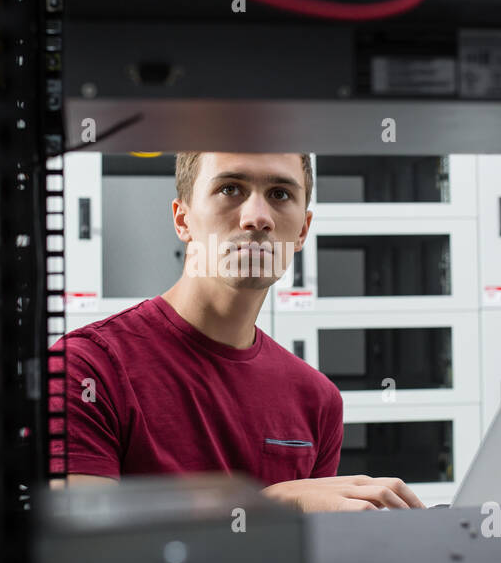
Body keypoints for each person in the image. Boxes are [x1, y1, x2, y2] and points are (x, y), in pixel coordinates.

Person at [50, 151, 425, 512]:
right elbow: (84, 555)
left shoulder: (317, 401)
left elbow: (297, 562)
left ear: (302, 231)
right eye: (230, 189)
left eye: (280, 194)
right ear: (183, 220)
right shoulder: (87, 370)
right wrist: (271, 503)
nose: (257, 218)